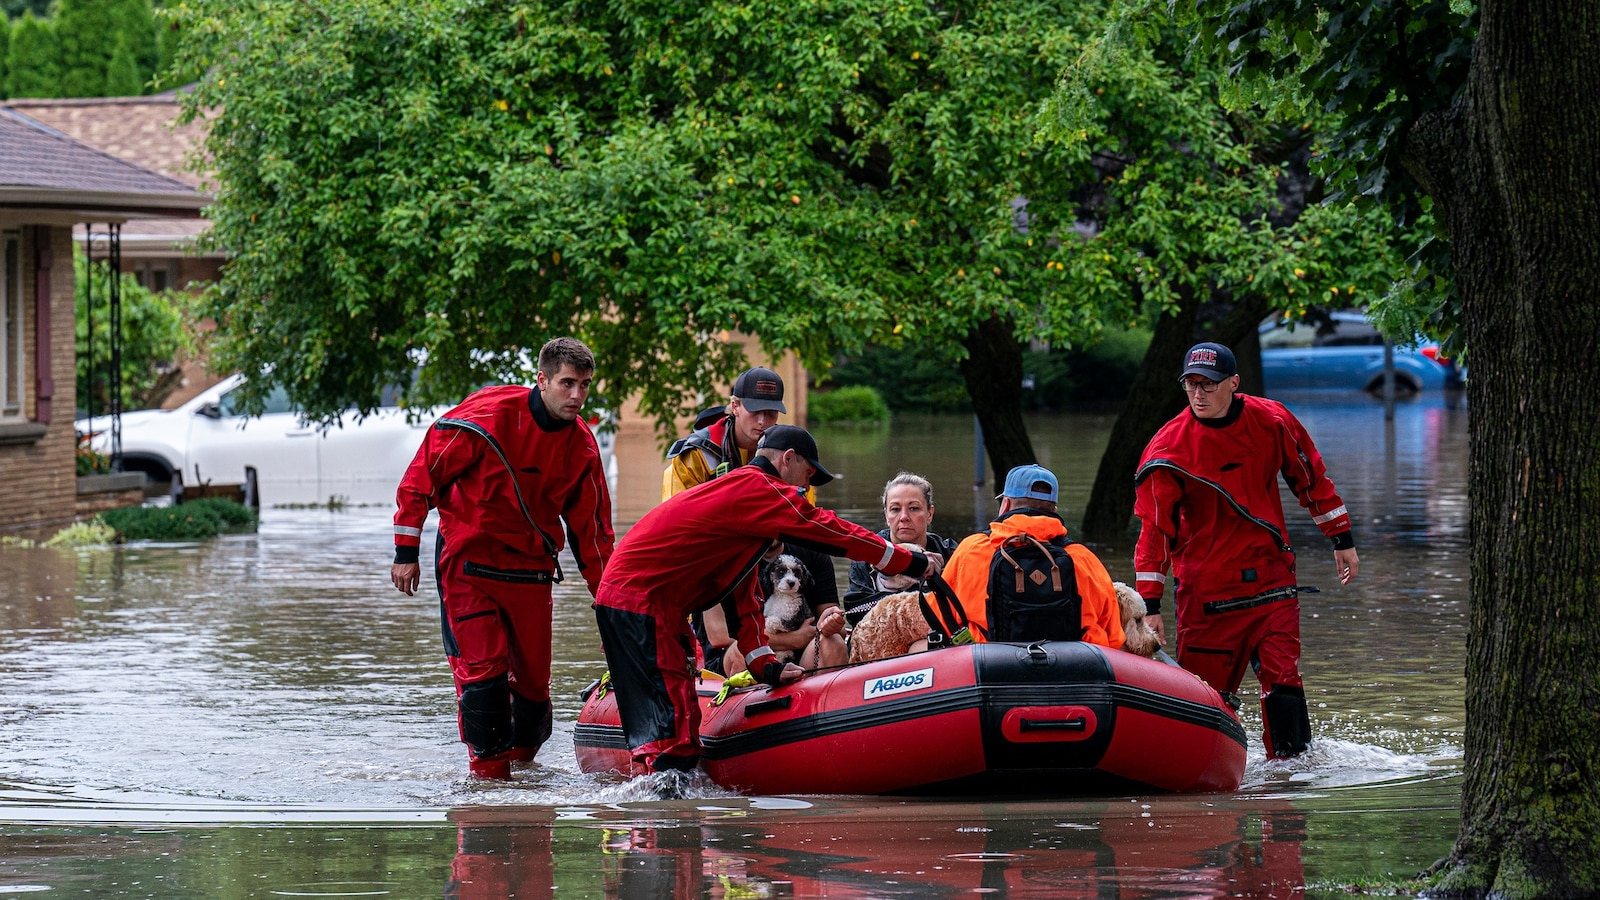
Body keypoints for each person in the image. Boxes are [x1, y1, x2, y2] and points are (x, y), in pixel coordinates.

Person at [594, 425, 939, 774]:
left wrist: (766, 667)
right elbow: (832, 531)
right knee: (669, 734)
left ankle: (669, 806)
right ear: (787, 460)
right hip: (639, 602)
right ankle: (655, 814)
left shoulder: (741, 514)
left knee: (683, 728)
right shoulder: (758, 488)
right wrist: (908, 560)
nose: (803, 494)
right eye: (804, 482)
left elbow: (746, 603)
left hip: (646, 602)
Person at [390, 337, 614, 780]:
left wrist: (612, 607)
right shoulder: (484, 417)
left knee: (533, 701)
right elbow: (421, 477)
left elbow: (593, 535)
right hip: (468, 565)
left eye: (585, 386)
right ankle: (486, 798)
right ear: (542, 380)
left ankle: (523, 801)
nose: (576, 396)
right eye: (567, 383)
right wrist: (405, 553)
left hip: (530, 573)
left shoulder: (583, 447)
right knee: (483, 681)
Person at [1133, 341, 1359, 759]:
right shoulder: (1168, 450)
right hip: (1207, 595)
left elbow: (1309, 476)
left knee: (1284, 680)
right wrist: (1149, 606)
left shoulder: (1272, 421)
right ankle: (1209, 783)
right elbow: (1154, 533)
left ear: (1234, 383)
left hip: (1272, 583)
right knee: (1206, 697)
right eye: (1191, 385)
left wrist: (1341, 538)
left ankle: (1291, 784)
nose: (1199, 395)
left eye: (1209, 385)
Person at [928, 464, 1125, 649]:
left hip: (989, 668)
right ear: (1054, 510)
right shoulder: (1083, 558)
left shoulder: (972, 550)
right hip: (1073, 670)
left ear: (1005, 505)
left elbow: (938, 616)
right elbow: (1113, 634)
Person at [842, 472, 961, 628]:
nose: (904, 517)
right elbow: (854, 614)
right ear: (886, 515)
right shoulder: (866, 555)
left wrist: (936, 581)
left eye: (913, 508)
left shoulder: (952, 554)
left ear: (930, 513)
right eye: (895, 509)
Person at [661, 366, 790, 499]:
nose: (762, 421)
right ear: (735, 406)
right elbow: (675, 513)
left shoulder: (789, 457)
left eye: (771, 412)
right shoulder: (697, 455)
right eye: (755, 411)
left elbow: (804, 513)